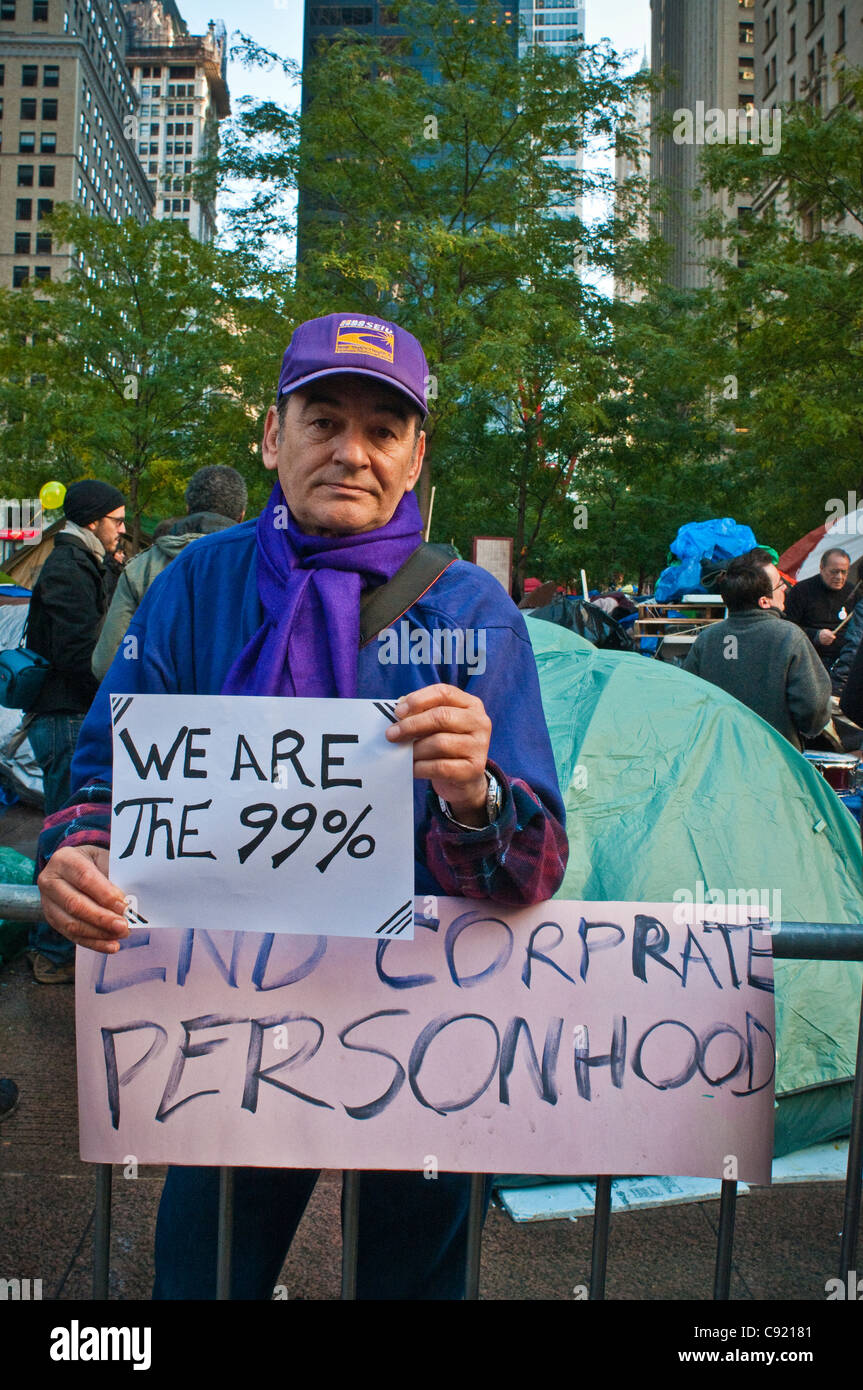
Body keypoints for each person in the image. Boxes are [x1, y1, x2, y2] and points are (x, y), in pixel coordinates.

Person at [36, 311, 568, 1300]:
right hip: (221, 1024)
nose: (351, 451)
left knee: (411, 1283)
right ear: (272, 436)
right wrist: (76, 855)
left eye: (383, 428)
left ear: (415, 456)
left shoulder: (471, 614)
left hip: (419, 1030)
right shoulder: (200, 583)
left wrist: (474, 796)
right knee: (203, 1278)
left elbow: (532, 866)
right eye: (323, 420)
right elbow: (105, 769)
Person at [25, 478, 126, 983]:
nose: (122, 530)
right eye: (117, 520)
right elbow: (78, 651)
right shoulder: (69, 566)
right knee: (70, 841)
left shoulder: (86, 562)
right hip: (65, 716)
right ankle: (52, 953)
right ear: (92, 521)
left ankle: (58, 951)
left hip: (68, 716)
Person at [91, 465, 248, 681]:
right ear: (241, 516)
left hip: (157, 709)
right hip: (240, 710)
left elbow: (107, 664)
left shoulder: (141, 569)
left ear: (187, 508)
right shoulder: (268, 566)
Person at [683, 548, 832, 750]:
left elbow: (688, 701)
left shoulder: (707, 639)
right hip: (775, 761)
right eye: (780, 585)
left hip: (716, 758)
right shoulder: (789, 637)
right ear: (764, 601)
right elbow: (813, 711)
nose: (785, 590)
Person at [784, 548, 857, 672]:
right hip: (809, 658)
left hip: (844, 659)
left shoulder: (853, 592)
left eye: (844, 572)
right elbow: (787, 627)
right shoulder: (801, 591)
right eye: (834, 572)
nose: (839, 577)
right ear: (821, 568)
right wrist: (815, 635)